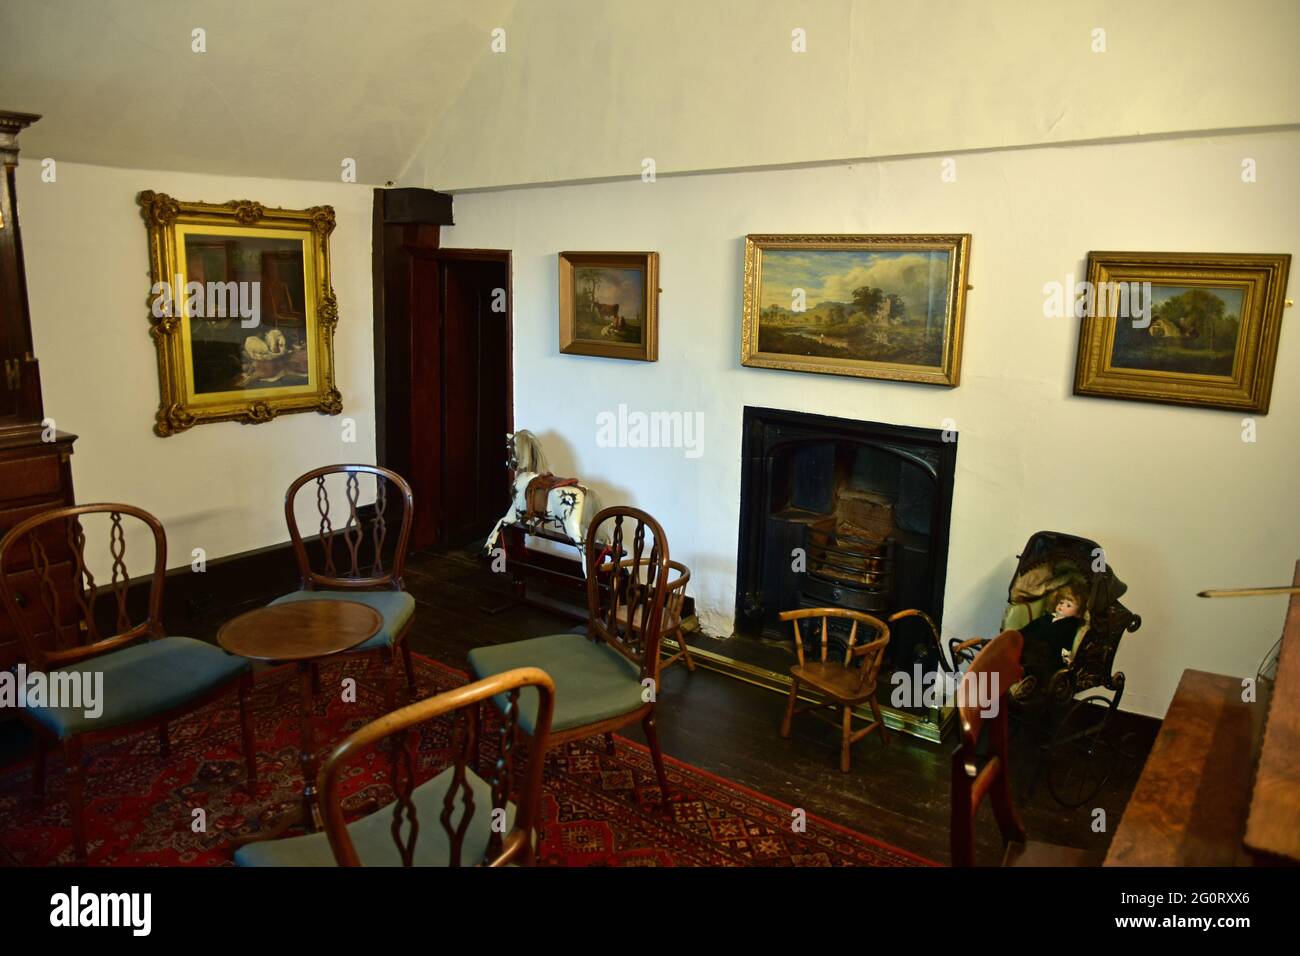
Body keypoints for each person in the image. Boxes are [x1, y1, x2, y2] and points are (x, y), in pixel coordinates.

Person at [1013, 582, 1087, 700]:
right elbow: (1031, 627)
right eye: (1061, 602)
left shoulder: (1070, 625)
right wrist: (1017, 635)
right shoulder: (1048, 617)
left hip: (1050, 653)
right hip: (1032, 644)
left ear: (1078, 613)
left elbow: (1066, 644)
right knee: (1021, 649)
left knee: (1037, 663)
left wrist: (1066, 658)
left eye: (1069, 605)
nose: (1062, 606)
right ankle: (1016, 677)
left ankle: (1026, 684)